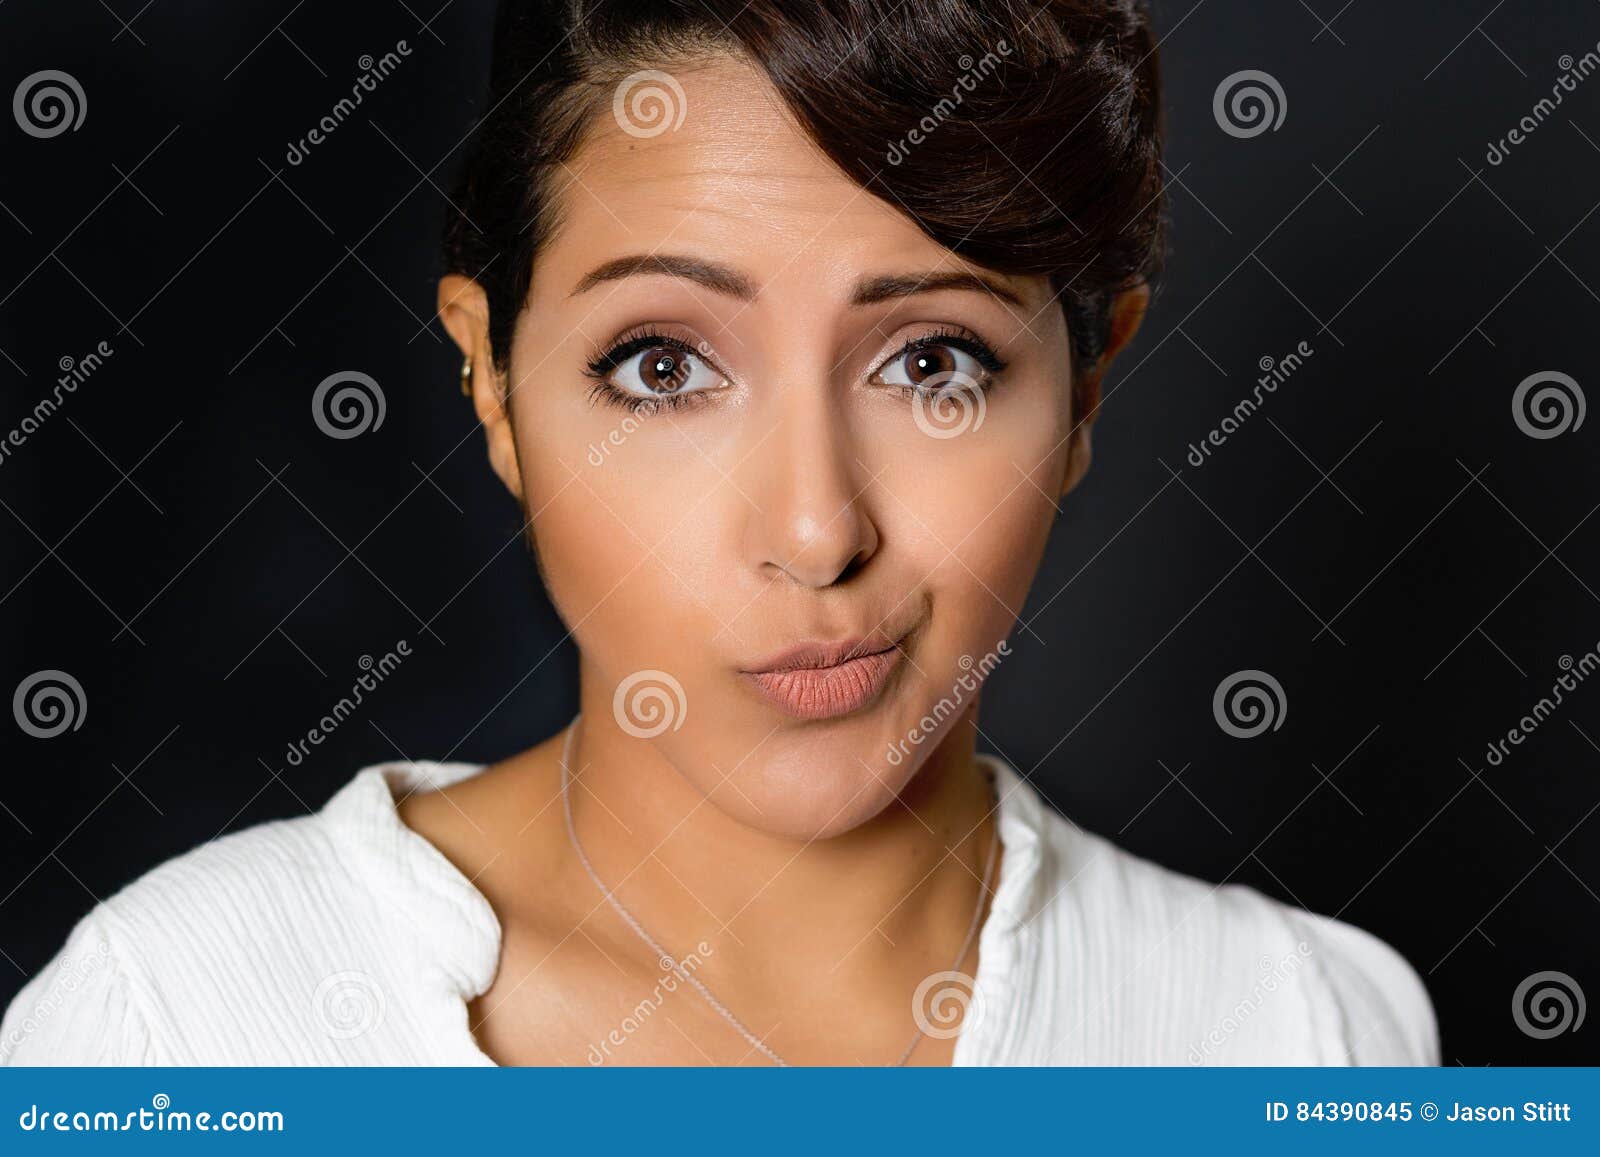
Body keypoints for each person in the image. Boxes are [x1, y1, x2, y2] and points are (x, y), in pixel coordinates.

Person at [1, 0, 1438, 1066]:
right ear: (490, 381)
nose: (815, 531)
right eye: (663, 366)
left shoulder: (1305, 1033)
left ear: (1086, 386)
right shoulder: (174, 1026)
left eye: (934, 360)